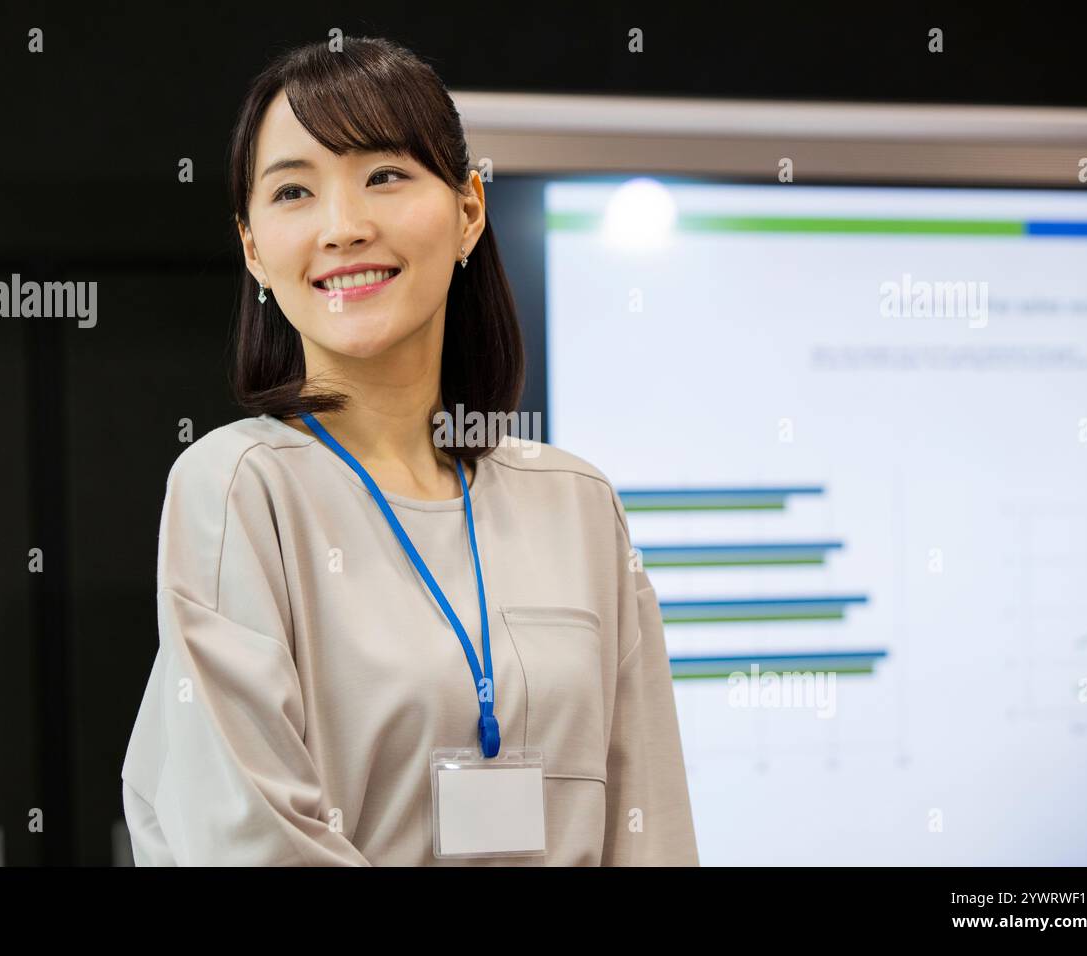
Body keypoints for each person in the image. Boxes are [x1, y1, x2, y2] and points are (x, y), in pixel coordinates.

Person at [120, 36, 697, 866]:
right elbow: (250, 843)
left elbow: (652, 821)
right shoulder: (239, 488)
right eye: (293, 191)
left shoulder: (576, 501)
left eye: (384, 175)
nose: (344, 227)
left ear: (468, 210)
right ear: (254, 250)